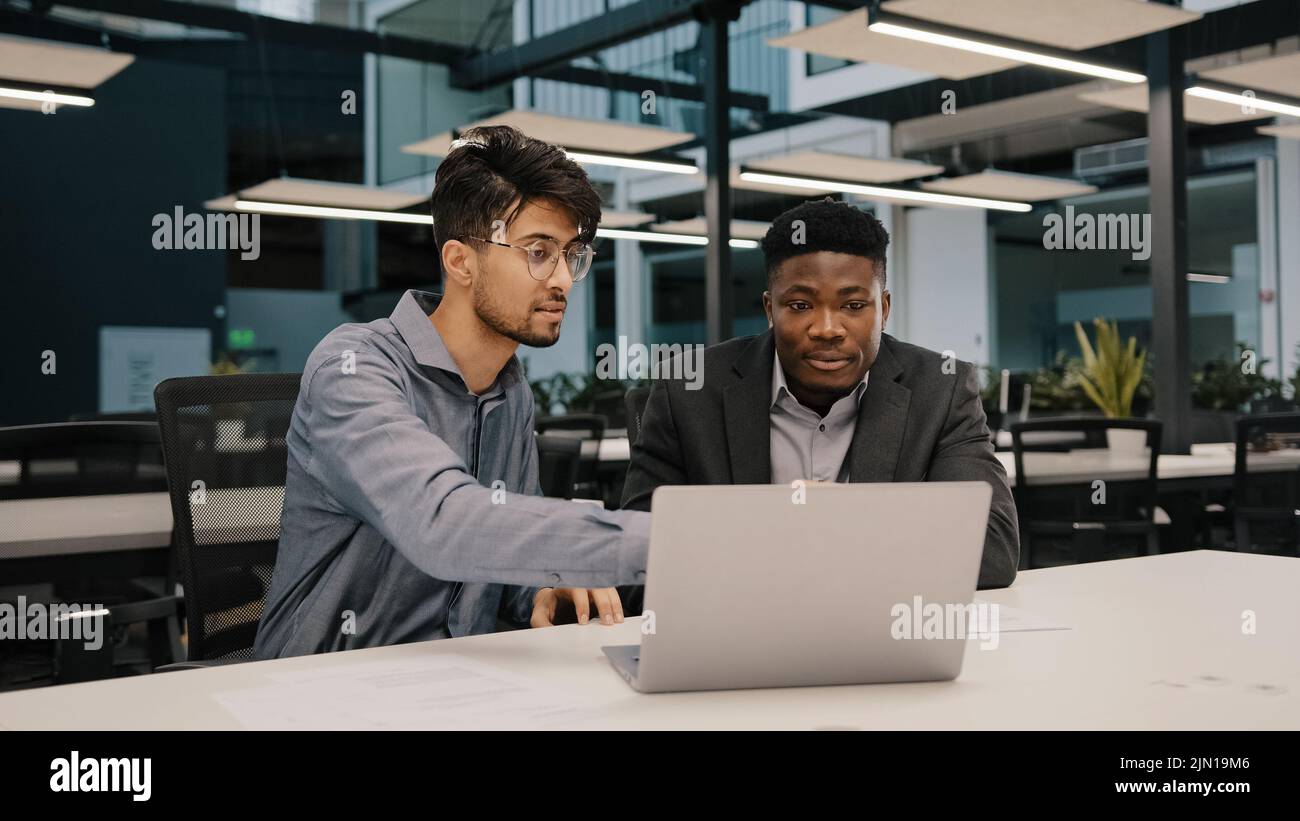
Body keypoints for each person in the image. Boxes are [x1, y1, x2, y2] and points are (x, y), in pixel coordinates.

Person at [254, 125, 648, 659]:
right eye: (538, 252)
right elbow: (442, 524)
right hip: (323, 690)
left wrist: (542, 585)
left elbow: (495, 568)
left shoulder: (511, 393)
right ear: (461, 261)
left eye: (571, 255)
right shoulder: (354, 367)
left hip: (455, 679)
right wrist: (670, 543)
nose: (561, 280)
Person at [621, 197, 1018, 592]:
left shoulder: (940, 388)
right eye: (800, 304)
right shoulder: (688, 389)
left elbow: (993, 550)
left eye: (853, 304)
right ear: (769, 309)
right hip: (737, 629)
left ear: (883, 308)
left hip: (880, 629)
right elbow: (637, 552)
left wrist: (843, 520)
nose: (828, 328)